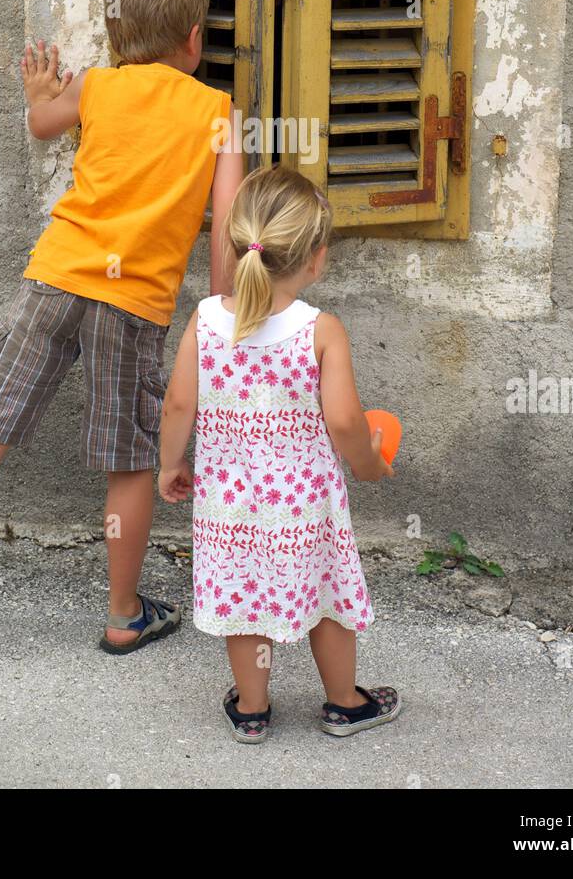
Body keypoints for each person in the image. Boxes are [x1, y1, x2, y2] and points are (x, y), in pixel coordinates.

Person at [0, 0, 243, 655]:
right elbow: (231, 220)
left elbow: (42, 125)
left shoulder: (95, 85)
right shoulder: (216, 112)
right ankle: (123, 615)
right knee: (128, 459)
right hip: (135, 303)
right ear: (194, 40)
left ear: (118, 38)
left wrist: (35, 93)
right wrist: (225, 309)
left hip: (56, 277)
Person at [158, 164, 399, 740]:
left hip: (228, 503)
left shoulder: (208, 317)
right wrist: (369, 463)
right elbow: (344, 421)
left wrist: (170, 463)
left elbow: (176, 405)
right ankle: (345, 703)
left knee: (244, 599)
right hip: (304, 504)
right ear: (315, 258)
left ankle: (252, 710)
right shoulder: (321, 330)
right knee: (328, 593)